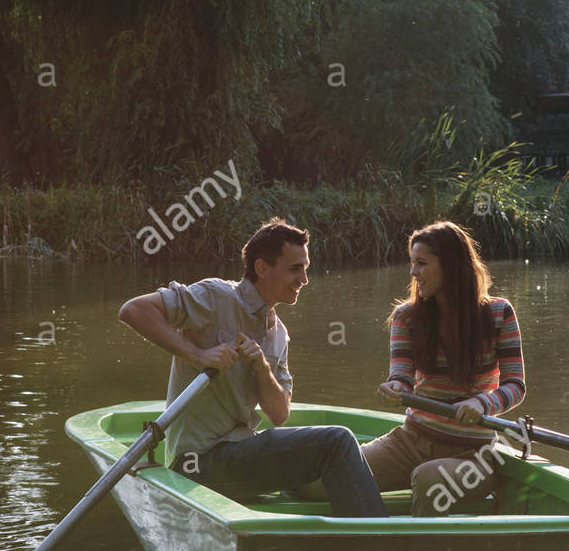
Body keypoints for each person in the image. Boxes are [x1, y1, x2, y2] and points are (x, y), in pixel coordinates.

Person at [117, 218, 387, 518]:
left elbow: (279, 414)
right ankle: (377, 540)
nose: (304, 280)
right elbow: (134, 310)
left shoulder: (279, 333)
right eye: (295, 269)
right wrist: (197, 355)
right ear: (261, 268)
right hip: (197, 462)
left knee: (333, 453)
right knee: (338, 440)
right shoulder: (215, 296)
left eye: (306, 268)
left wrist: (261, 368)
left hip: (241, 456)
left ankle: (354, 535)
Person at [364, 220, 526, 515]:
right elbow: (402, 377)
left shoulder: (500, 314)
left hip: (473, 453)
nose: (414, 273)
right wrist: (395, 389)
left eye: (422, 263)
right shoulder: (406, 317)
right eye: (412, 263)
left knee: (428, 479)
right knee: (322, 478)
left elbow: (516, 386)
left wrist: (481, 402)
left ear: (450, 265)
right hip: (410, 441)